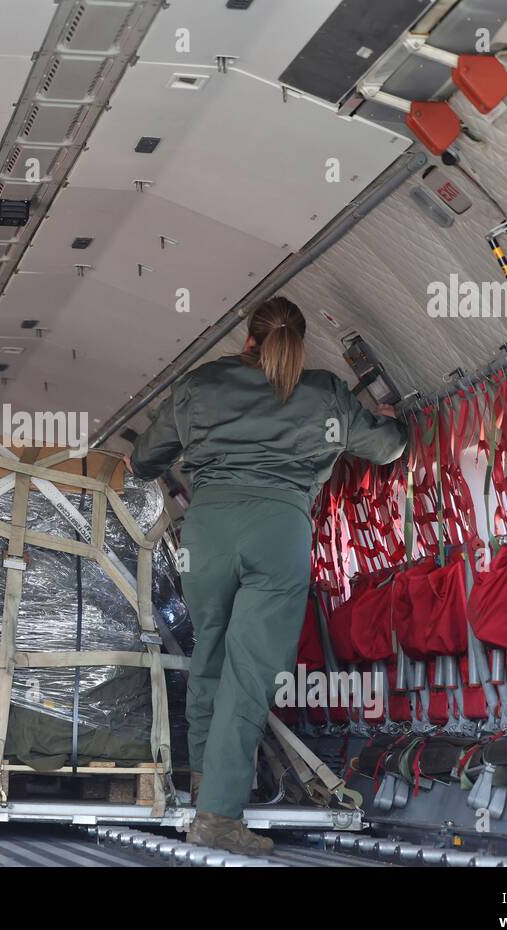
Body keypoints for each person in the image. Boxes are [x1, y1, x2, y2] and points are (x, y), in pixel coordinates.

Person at [129, 297, 407, 856]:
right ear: (299, 344)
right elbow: (386, 448)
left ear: (247, 338)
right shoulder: (325, 393)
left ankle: (206, 786)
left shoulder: (200, 384)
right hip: (279, 533)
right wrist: (395, 421)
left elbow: (142, 460)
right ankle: (218, 815)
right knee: (249, 672)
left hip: (207, 533)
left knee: (208, 655)